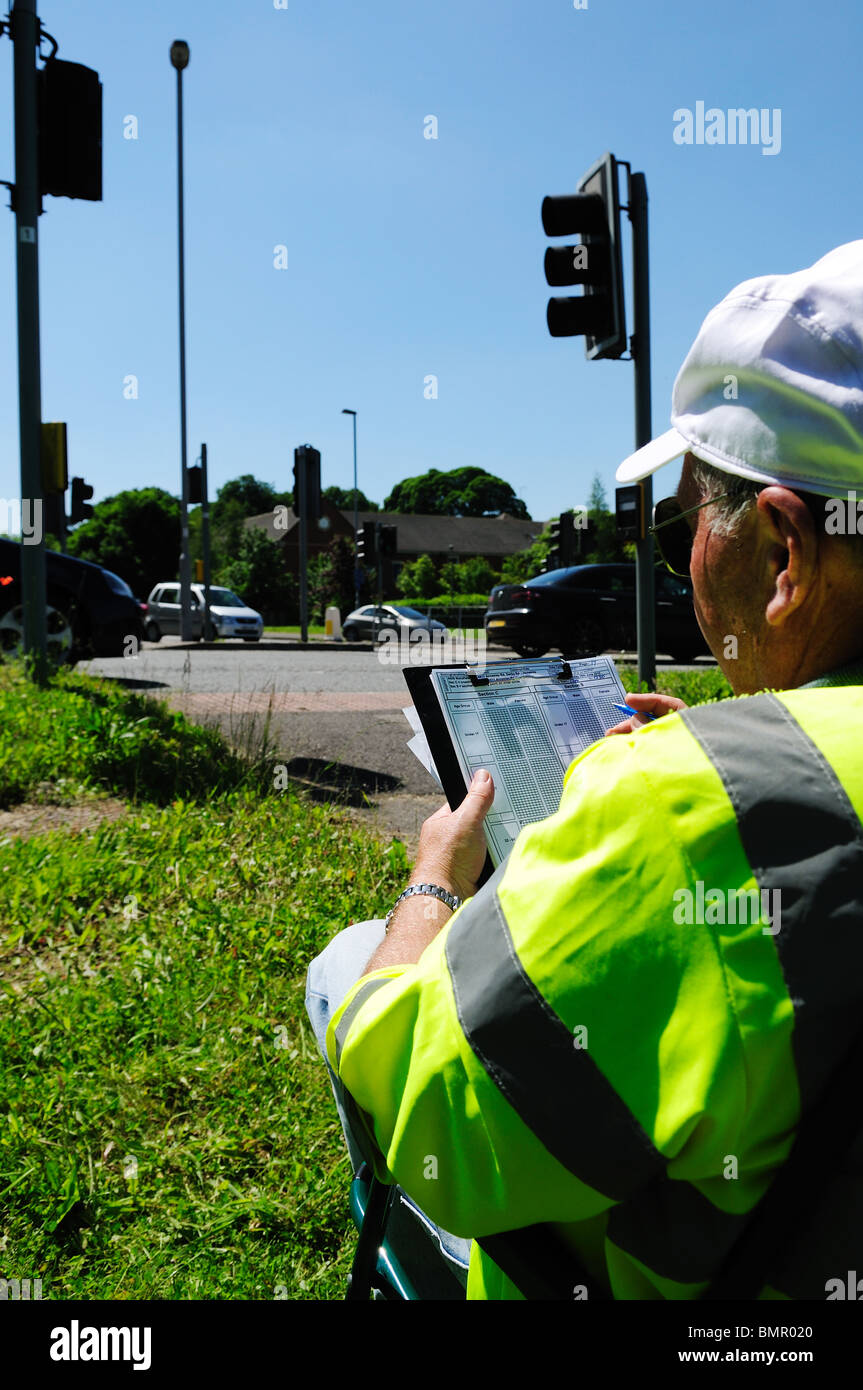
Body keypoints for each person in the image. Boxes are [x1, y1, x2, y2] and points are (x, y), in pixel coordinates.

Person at [306, 240, 863, 1299]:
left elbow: (428, 1111)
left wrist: (432, 883)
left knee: (347, 972)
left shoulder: (682, 802)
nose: (685, 563)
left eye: (687, 525)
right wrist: (748, 739)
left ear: (783, 555)